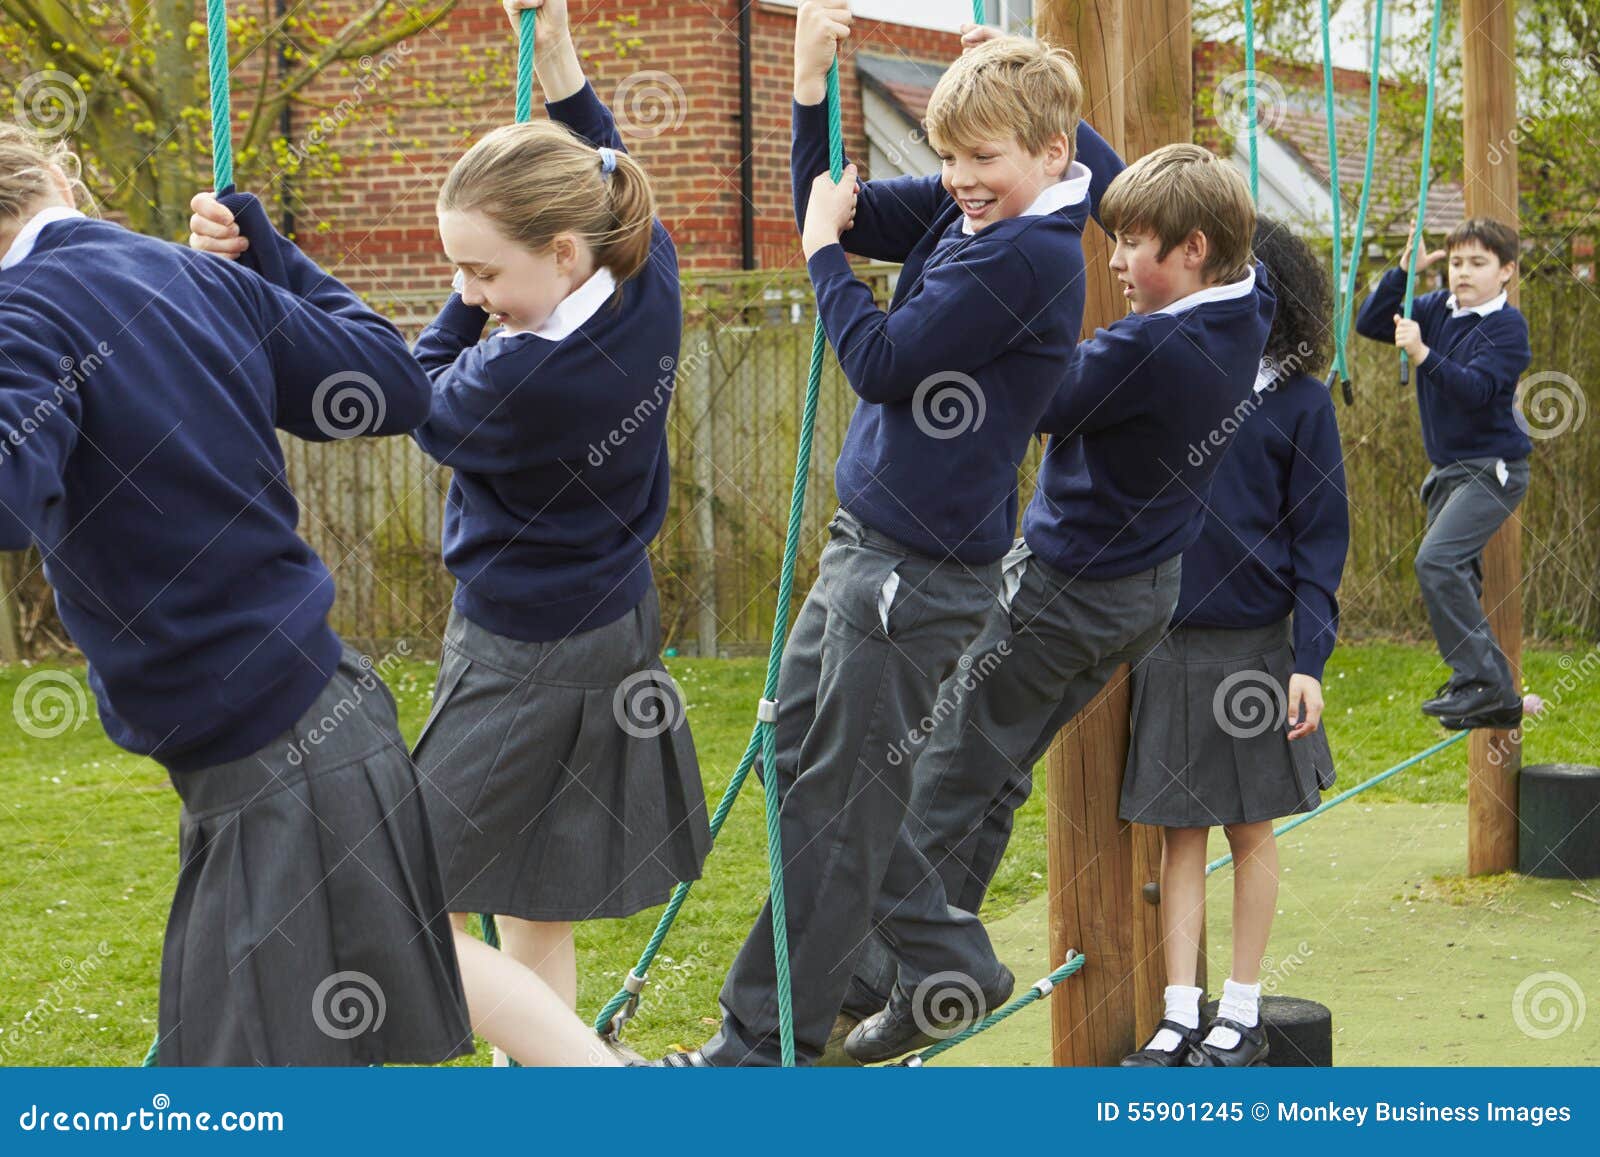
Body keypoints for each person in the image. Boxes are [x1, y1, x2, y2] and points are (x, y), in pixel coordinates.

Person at [1355, 216, 1531, 730]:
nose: (1463, 273)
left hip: (1492, 470)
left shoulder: (1505, 328)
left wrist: (1422, 353)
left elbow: (1476, 390)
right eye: (1456, 262)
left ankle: (1484, 681)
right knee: (1456, 574)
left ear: (1506, 272)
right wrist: (1404, 275)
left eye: (1478, 263)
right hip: (1449, 471)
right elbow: (1370, 323)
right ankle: (1480, 686)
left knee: (1436, 562)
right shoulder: (1434, 308)